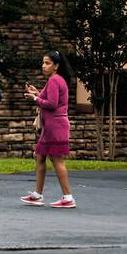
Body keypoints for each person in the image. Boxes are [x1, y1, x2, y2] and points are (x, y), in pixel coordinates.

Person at [22, 50, 74, 209]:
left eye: (47, 63)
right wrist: (37, 93)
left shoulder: (54, 80)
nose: (43, 66)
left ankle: (68, 197)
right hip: (53, 125)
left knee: (57, 159)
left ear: (56, 66)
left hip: (55, 126)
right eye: (43, 62)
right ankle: (37, 195)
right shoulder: (57, 80)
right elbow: (51, 99)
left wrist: (35, 98)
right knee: (39, 156)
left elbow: (51, 104)